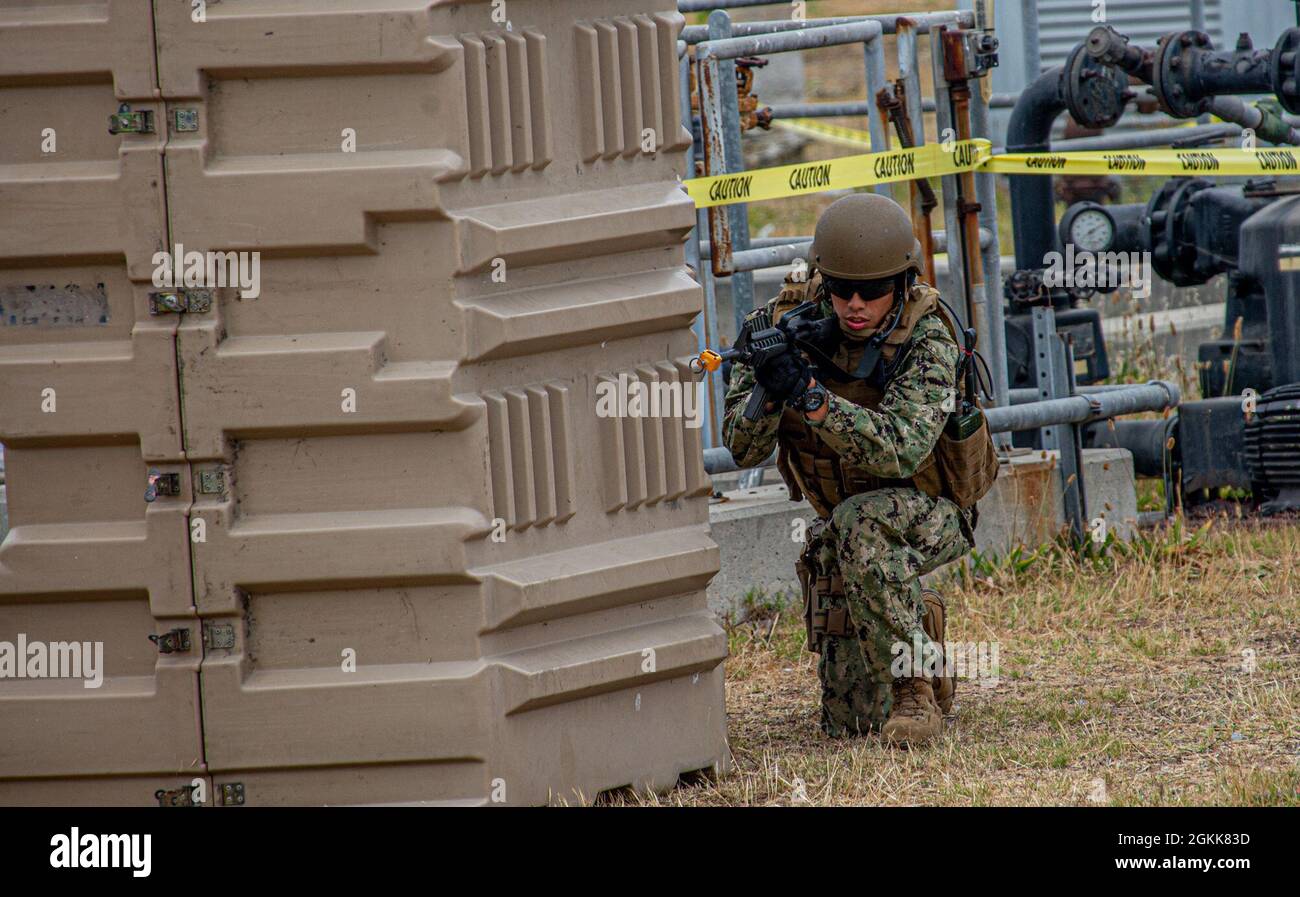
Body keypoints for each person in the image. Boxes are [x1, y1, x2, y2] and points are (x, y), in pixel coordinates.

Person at [723, 192, 977, 747]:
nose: (855, 304)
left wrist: (810, 396)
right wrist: (768, 390)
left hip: (932, 509)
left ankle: (915, 683)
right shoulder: (780, 324)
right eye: (841, 290)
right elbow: (741, 450)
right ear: (823, 281)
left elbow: (902, 449)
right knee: (853, 723)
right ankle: (918, 625)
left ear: (903, 283)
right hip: (844, 522)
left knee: (862, 523)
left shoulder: (928, 338)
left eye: (873, 291)